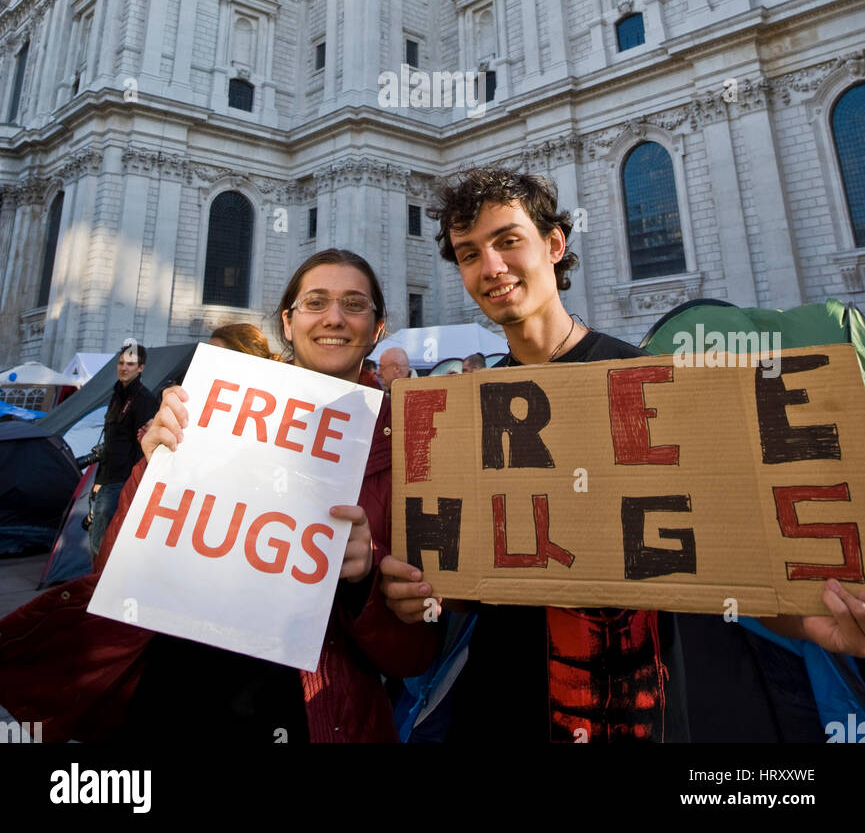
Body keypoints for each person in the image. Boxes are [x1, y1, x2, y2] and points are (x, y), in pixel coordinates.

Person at [381, 167, 865, 743]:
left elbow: (729, 559)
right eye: (469, 254)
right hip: (506, 707)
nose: (491, 268)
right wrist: (418, 595)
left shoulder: (656, 384)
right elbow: (467, 584)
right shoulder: (458, 412)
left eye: (508, 241)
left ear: (555, 245)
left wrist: (809, 621)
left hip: (652, 710)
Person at [0, 250, 435, 743]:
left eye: (354, 304)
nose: (334, 317)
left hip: (308, 714)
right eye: (316, 302)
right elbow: (117, 573)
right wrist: (154, 465)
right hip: (175, 698)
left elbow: (416, 652)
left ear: (378, 328)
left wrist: (365, 580)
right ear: (287, 323)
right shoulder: (207, 411)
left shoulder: (411, 454)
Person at [89, 342, 158, 559]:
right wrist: (98, 480)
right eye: (121, 363)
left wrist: (133, 486)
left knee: (105, 541)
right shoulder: (116, 395)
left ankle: (96, 583)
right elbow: (111, 442)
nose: (124, 368)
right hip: (108, 479)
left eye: (130, 364)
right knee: (97, 535)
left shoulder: (145, 399)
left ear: (141, 368)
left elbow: (143, 445)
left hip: (125, 480)